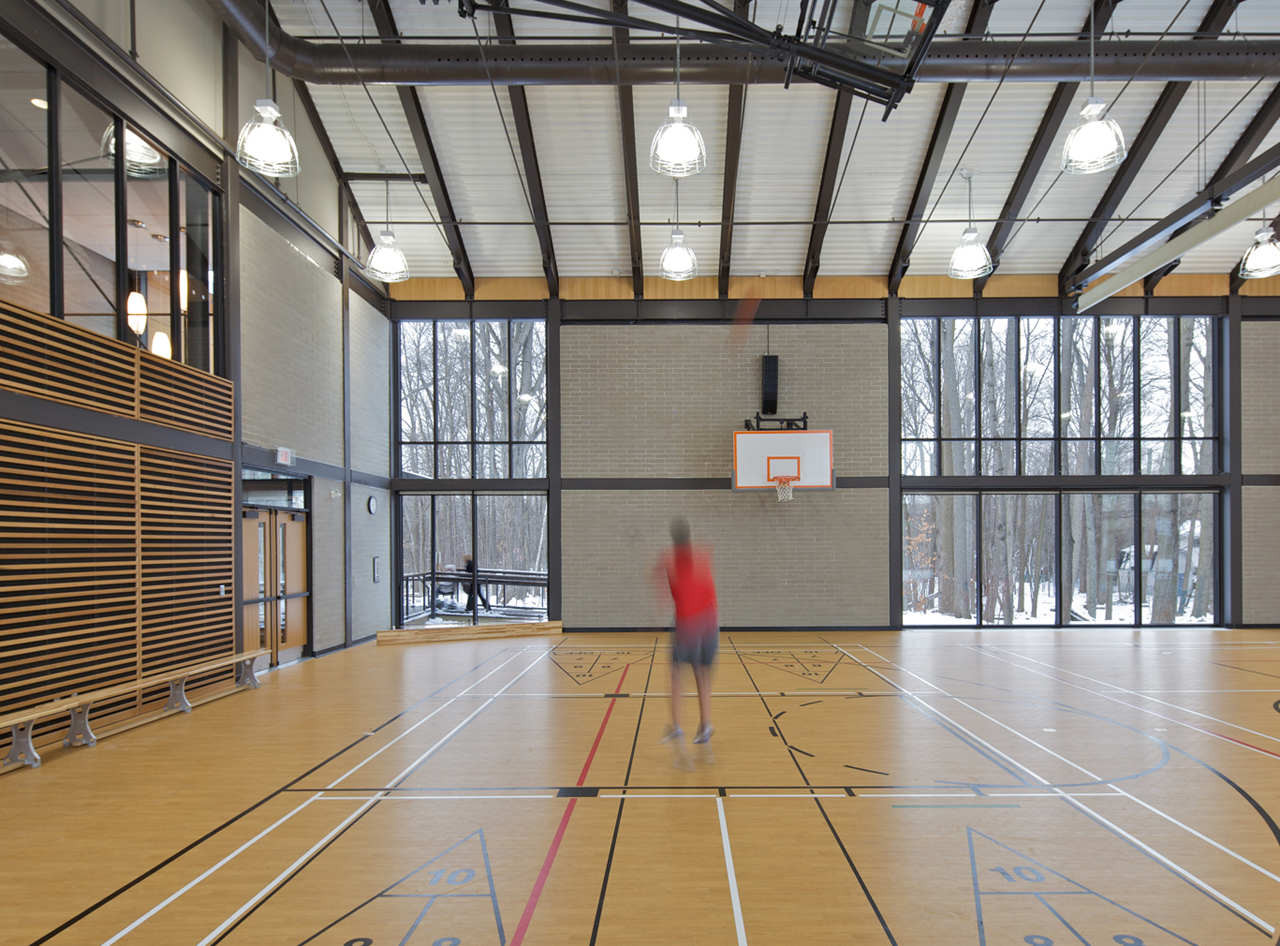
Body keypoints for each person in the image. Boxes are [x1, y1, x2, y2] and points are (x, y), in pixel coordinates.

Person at [655, 518, 718, 745]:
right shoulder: (701, 555)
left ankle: (676, 727)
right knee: (702, 676)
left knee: (675, 675)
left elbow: (667, 588)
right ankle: (705, 725)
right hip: (710, 623)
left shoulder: (669, 560)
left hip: (689, 625)